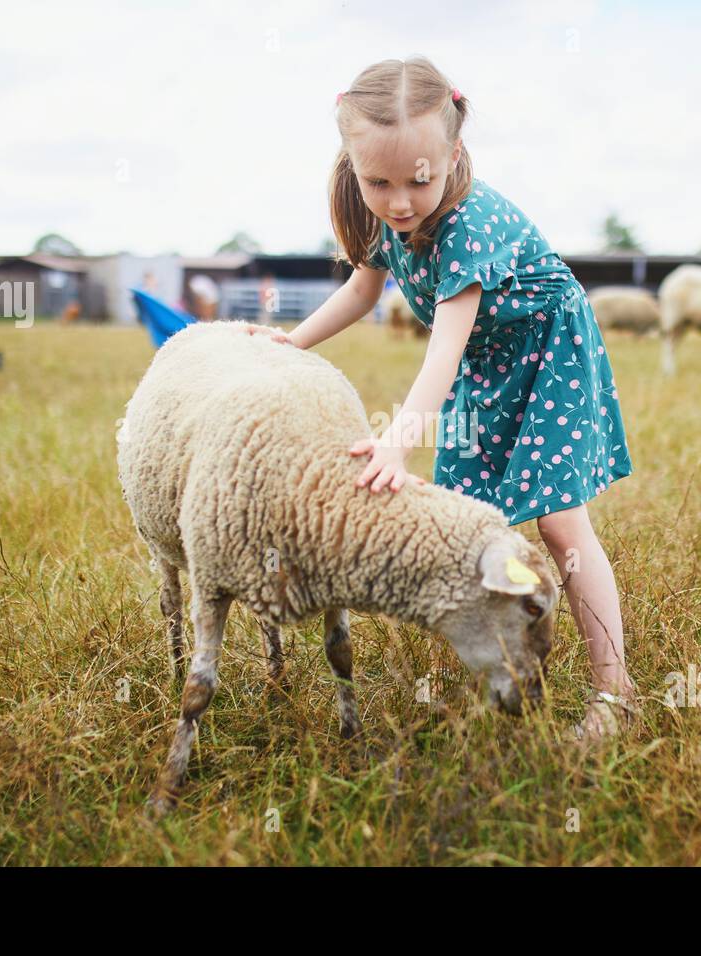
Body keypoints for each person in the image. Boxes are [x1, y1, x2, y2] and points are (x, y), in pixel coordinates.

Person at [249, 57, 636, 741]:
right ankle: (506, 656)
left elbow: (443, 347)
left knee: (560, 523)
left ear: (452, 155)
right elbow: (362, 293)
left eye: (418, 181)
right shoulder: (377, 211)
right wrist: (290, 344)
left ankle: (616, 694)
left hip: (546, 354)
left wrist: (397, 440)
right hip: (489, 360)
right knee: (472, 517)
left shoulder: (469, 224)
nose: (399, 201)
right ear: (352, 161)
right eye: (379, 182)